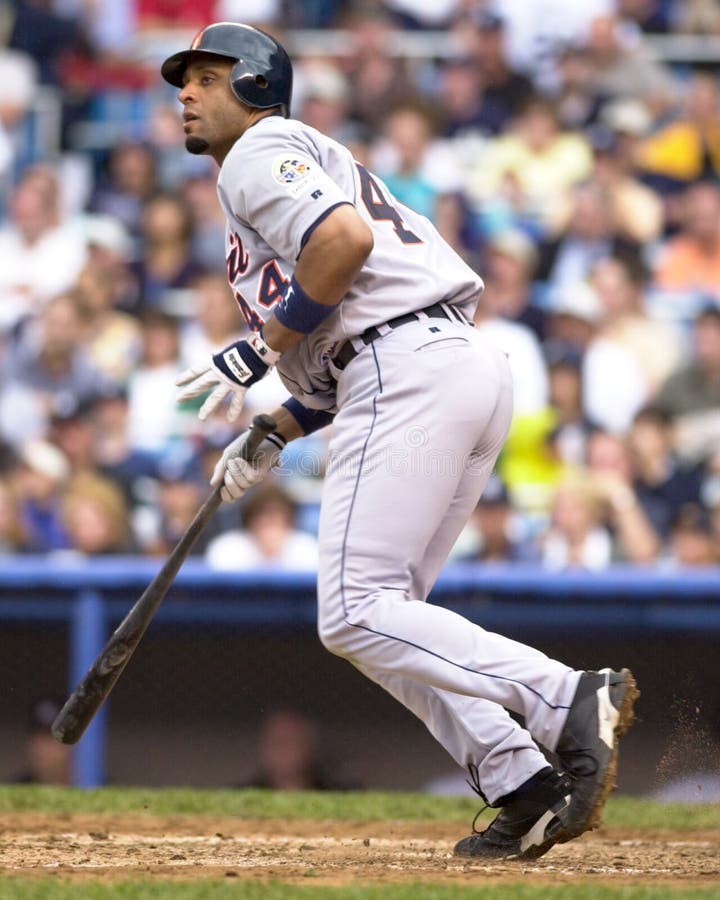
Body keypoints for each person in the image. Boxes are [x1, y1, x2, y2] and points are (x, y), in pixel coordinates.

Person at [164, 23, 638, 861]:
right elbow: (332, 348)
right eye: (185, 80)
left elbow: (344, 244)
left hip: (407, 364)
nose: (187, 94)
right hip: (440, 363)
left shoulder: (258, 150)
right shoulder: (285, 167)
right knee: (384, 617)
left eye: (206, 77)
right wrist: (273, 429)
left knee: (353, 612)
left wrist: (256, 350)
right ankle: (519, 780)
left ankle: (567, 696)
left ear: (256, 85)